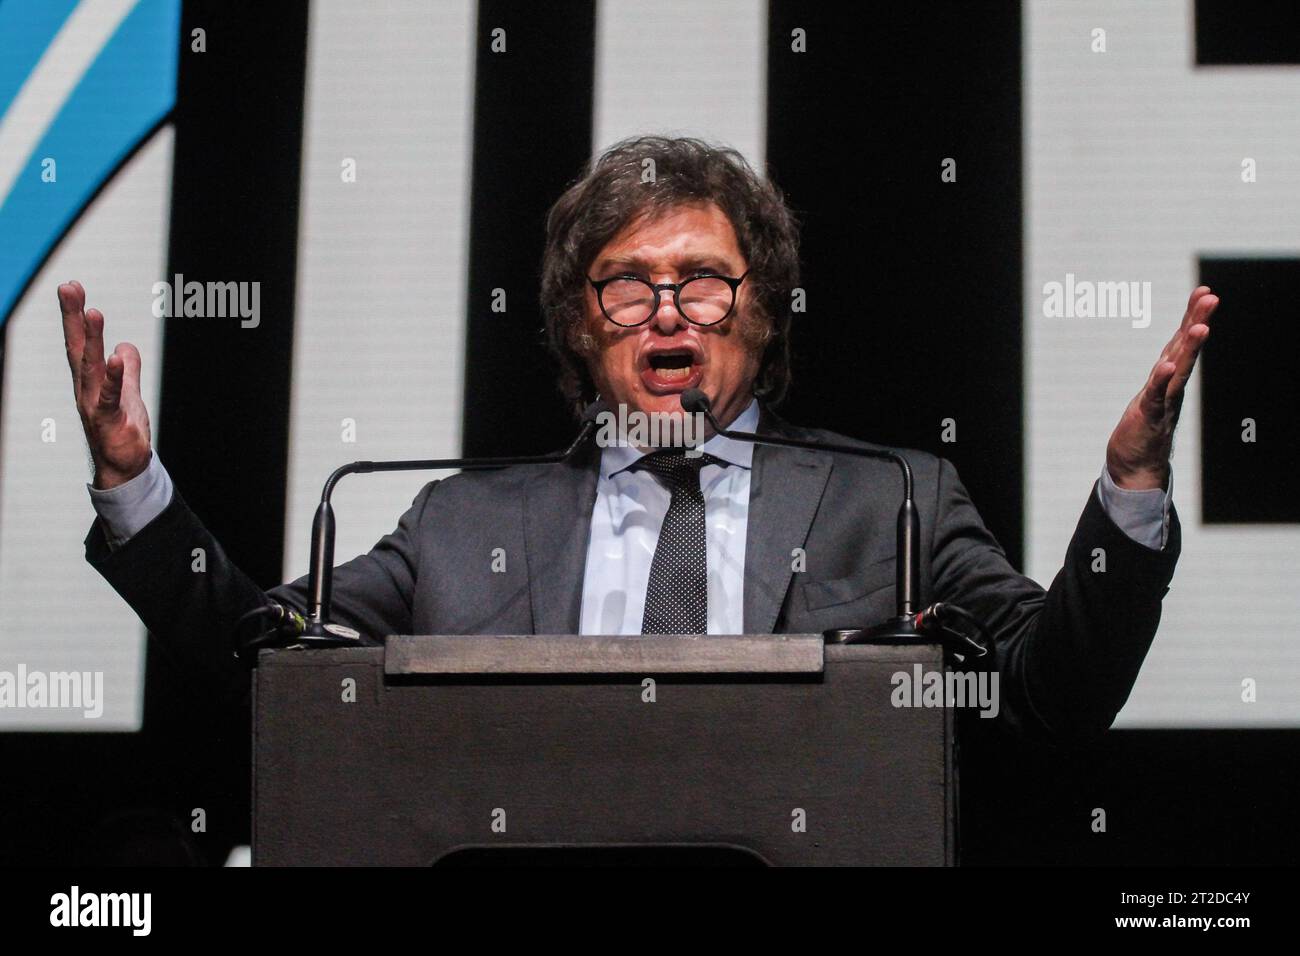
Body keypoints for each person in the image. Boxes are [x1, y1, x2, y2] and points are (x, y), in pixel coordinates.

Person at [57, 136, 1218, 741]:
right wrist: (137, 488)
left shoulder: (891, 501)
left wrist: (1127, 492)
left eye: (705, 281)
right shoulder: (460, 523)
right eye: (627, 286)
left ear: (762, 314)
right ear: (576, 323)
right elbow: (266, 666)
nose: (667, 311)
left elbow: (1050, 693)